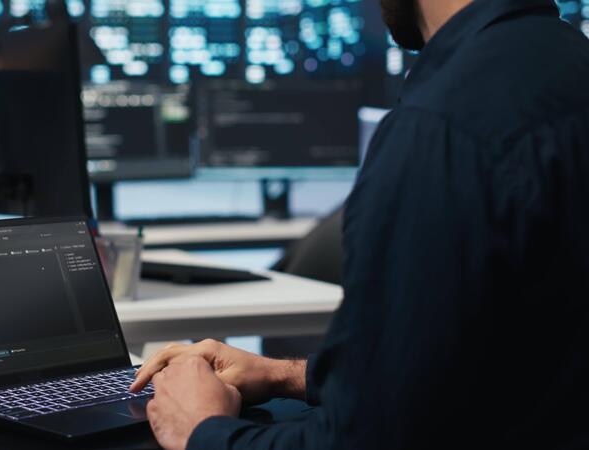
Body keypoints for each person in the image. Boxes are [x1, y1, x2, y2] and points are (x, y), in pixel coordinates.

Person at [128, 0, 589, 448]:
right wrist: (286, 374)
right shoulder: (567, 65)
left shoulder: (439, 131)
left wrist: (202, 429)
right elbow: (509, 364)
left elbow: (368, 438)